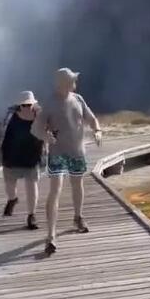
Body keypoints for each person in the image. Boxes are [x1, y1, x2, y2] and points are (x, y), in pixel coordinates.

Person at [32, 68, 102, 256]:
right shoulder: (49, 103)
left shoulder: (78, 99)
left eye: (74, 80)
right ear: (62, 83)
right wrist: (46, 137)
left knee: (77, 184)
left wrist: (97, 130)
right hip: (57, 153)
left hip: (77, 151)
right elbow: (35, 129)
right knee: (56, 190)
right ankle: (51, 234)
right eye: (71, 80)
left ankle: (78, 217)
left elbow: (91, 118)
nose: (74, 83)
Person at [0, 92, 44, 230]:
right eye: (23, 105)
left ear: (33, 104)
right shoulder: (10, 116)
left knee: (31, 185)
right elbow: (0, 133)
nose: (26, 107)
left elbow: (51, 130)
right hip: (11, 157)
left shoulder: (40, 116)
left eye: (29, 104)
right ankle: (12, 199)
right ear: (19, 105)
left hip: (32, 156)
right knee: (10, 186)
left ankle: (31, 216)